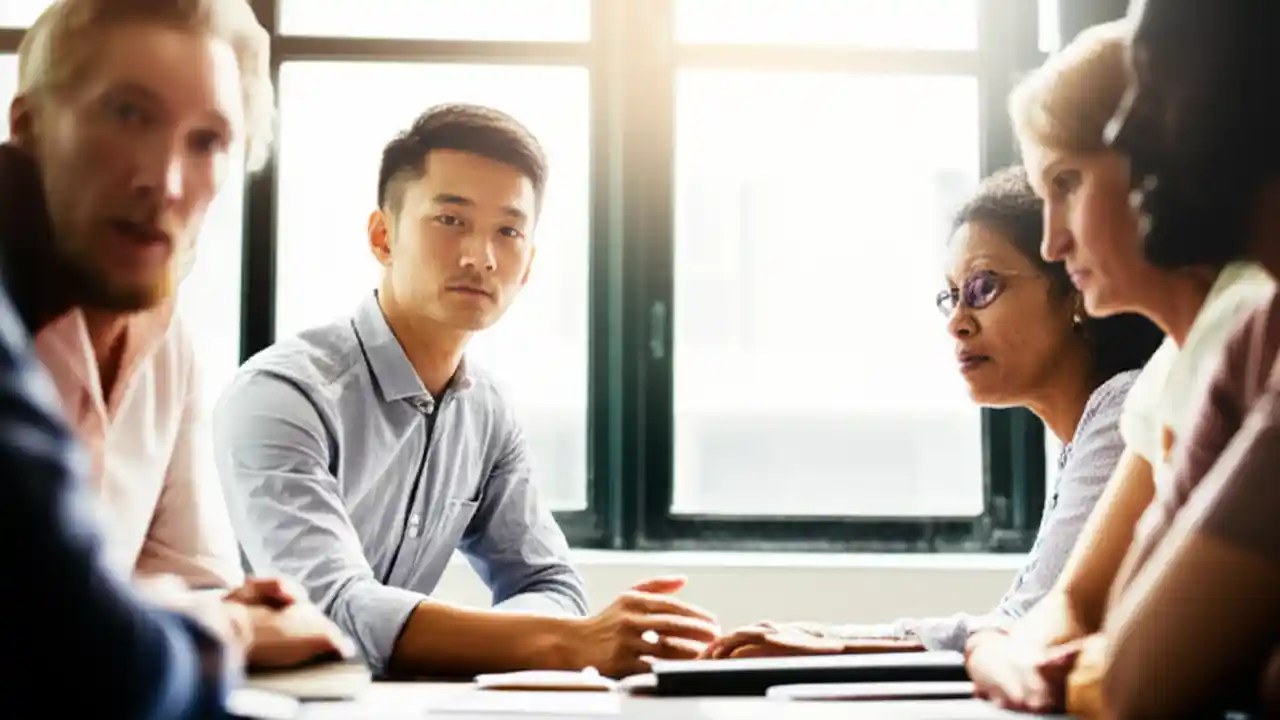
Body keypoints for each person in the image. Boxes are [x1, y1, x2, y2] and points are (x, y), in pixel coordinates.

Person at [215, 104, 720, 679]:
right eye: (450, 221)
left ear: (527, 264)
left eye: (508, 232)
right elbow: (328, 614)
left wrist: (556, 638)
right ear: (383, 236)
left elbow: (546, 582)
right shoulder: (284, 394)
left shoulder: (487, 411)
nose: (480, 257)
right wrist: (564, 644)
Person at [2, 0, 351, 676]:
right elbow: (69, 638)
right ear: (29, 126)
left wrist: (202, 615)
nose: (163, 182)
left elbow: (192, 576)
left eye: (208, 142)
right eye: (128, 115)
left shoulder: (168, 338)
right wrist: (226, 626)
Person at [703, 166, 1162, 660]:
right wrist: (834, 639)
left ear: (1071, 284)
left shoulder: (1124, 408)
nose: (957, 323)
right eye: (951, 296)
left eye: (983, 288)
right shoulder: (1088, 430)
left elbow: (1030, 624)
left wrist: (838, 644)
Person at [962, 18, 1275, 715]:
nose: (1051, 239)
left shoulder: (1247, 325)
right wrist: (996, 646)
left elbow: (1132, 668)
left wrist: (1008, 647)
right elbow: (1076, 603)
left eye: (1067, 182)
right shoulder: (1174, 366)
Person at [1064, 1, 1280, 716]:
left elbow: (1133, 686)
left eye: (1155, 86)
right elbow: (1125, 655)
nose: (1124, 131)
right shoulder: (1256, 340)